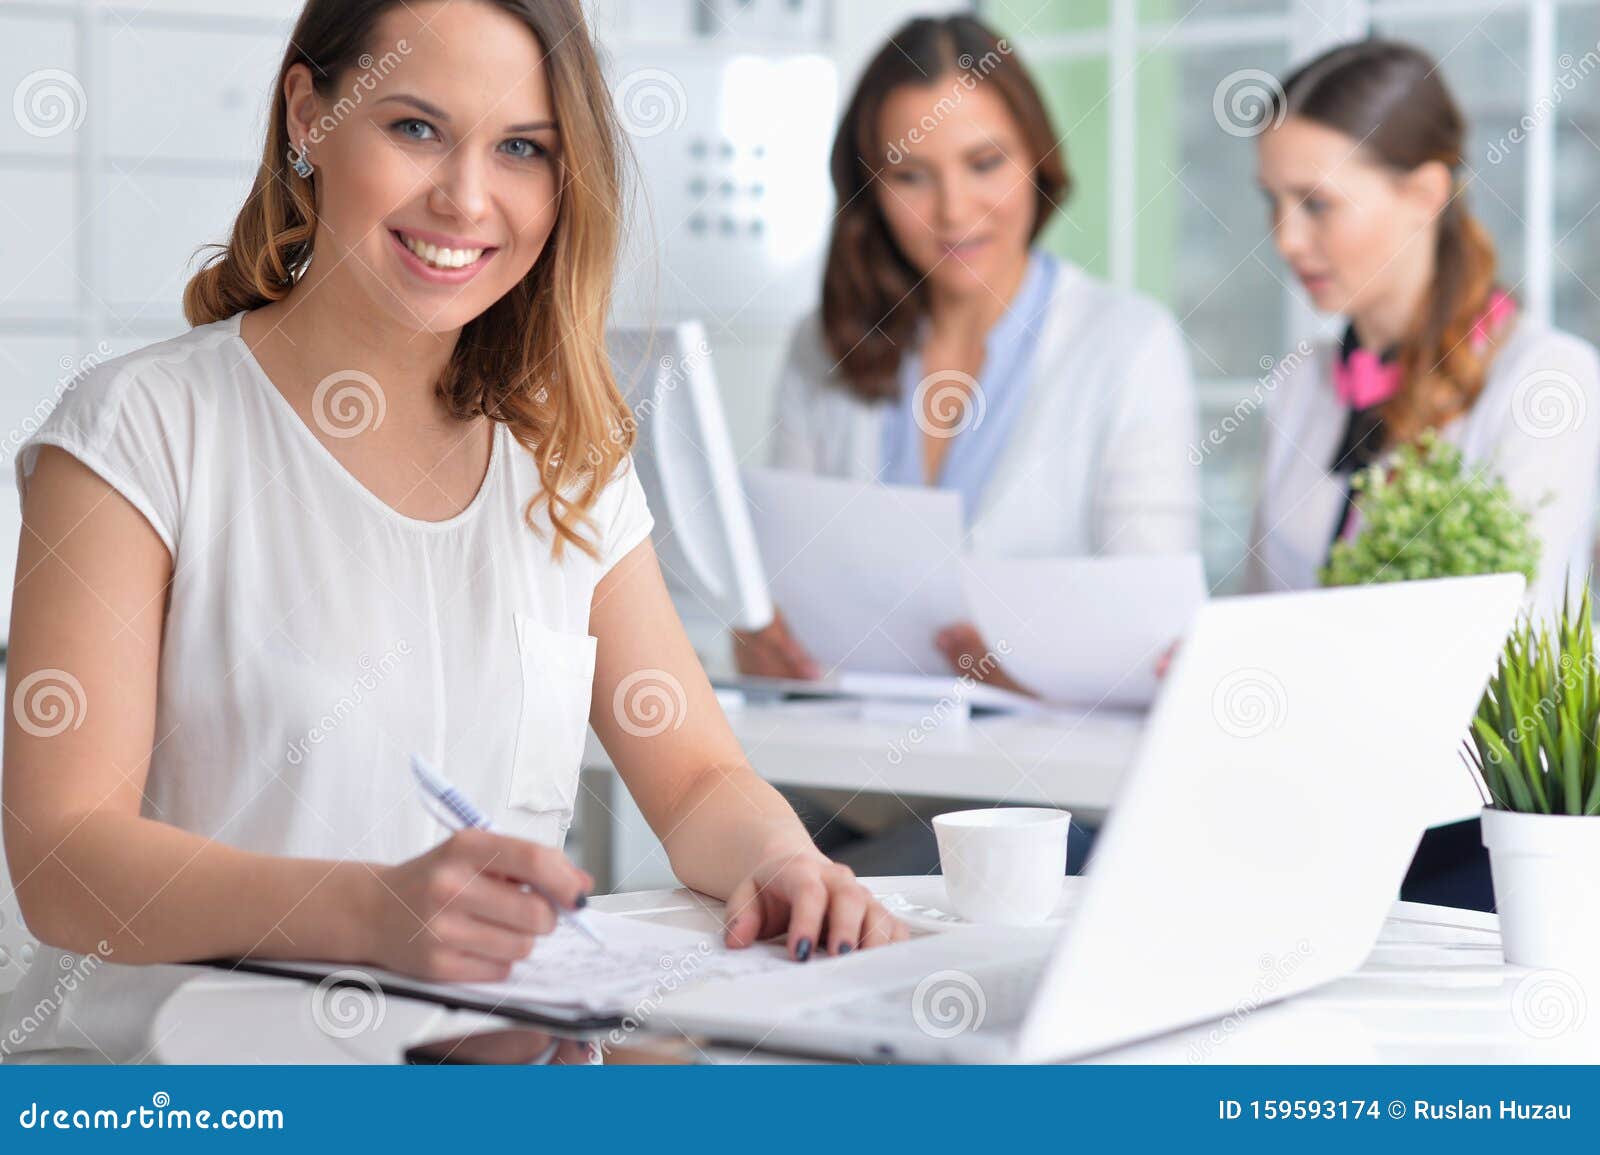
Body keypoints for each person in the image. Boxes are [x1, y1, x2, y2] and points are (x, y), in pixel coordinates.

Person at [0, 0, 905, 1063]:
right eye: (414, 128)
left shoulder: (566, 455)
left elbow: (698, 780)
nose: (467, 198)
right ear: (309, 117)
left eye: (522, 148)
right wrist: (379, 914)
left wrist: (782, 860)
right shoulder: (140, 429)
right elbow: (63, 862)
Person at [735, 15, 1202, 873]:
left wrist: (1029, 673)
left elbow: (1148, 631)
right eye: (911, 174)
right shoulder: (824, 345)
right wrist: (760, 644)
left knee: (821, 907)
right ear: (869, 190)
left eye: (984, 164)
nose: (953, 210)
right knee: (730, 882)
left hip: (1044, 819)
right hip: (843, 790)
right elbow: (777, 588)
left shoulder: (1128, 343)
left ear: (1036, 156)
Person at [1249, 39, 1600, 909]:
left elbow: (1506, 656)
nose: (1287, 238)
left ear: (1426, 192)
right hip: (1306, 810)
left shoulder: (1545, 382)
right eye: (1274, 203)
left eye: (1317, 204)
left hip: (1475, 837)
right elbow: (1264, 612)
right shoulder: (1302, 386)